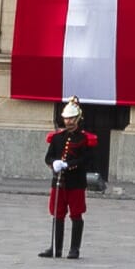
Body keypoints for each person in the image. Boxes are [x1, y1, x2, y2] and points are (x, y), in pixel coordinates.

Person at [40, 99, 99, 259]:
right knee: (57, 214)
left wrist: (67, 165)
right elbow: (48, 157)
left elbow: (86, 160)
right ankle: (55, 248)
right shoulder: (57, 138)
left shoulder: (83, 139)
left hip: (76, 182)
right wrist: (54, 163)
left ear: (78, 119)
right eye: (67, 118)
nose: (69, 121)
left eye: (72, 118)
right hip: (59, 182)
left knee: (76, 214)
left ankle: (74, 248)